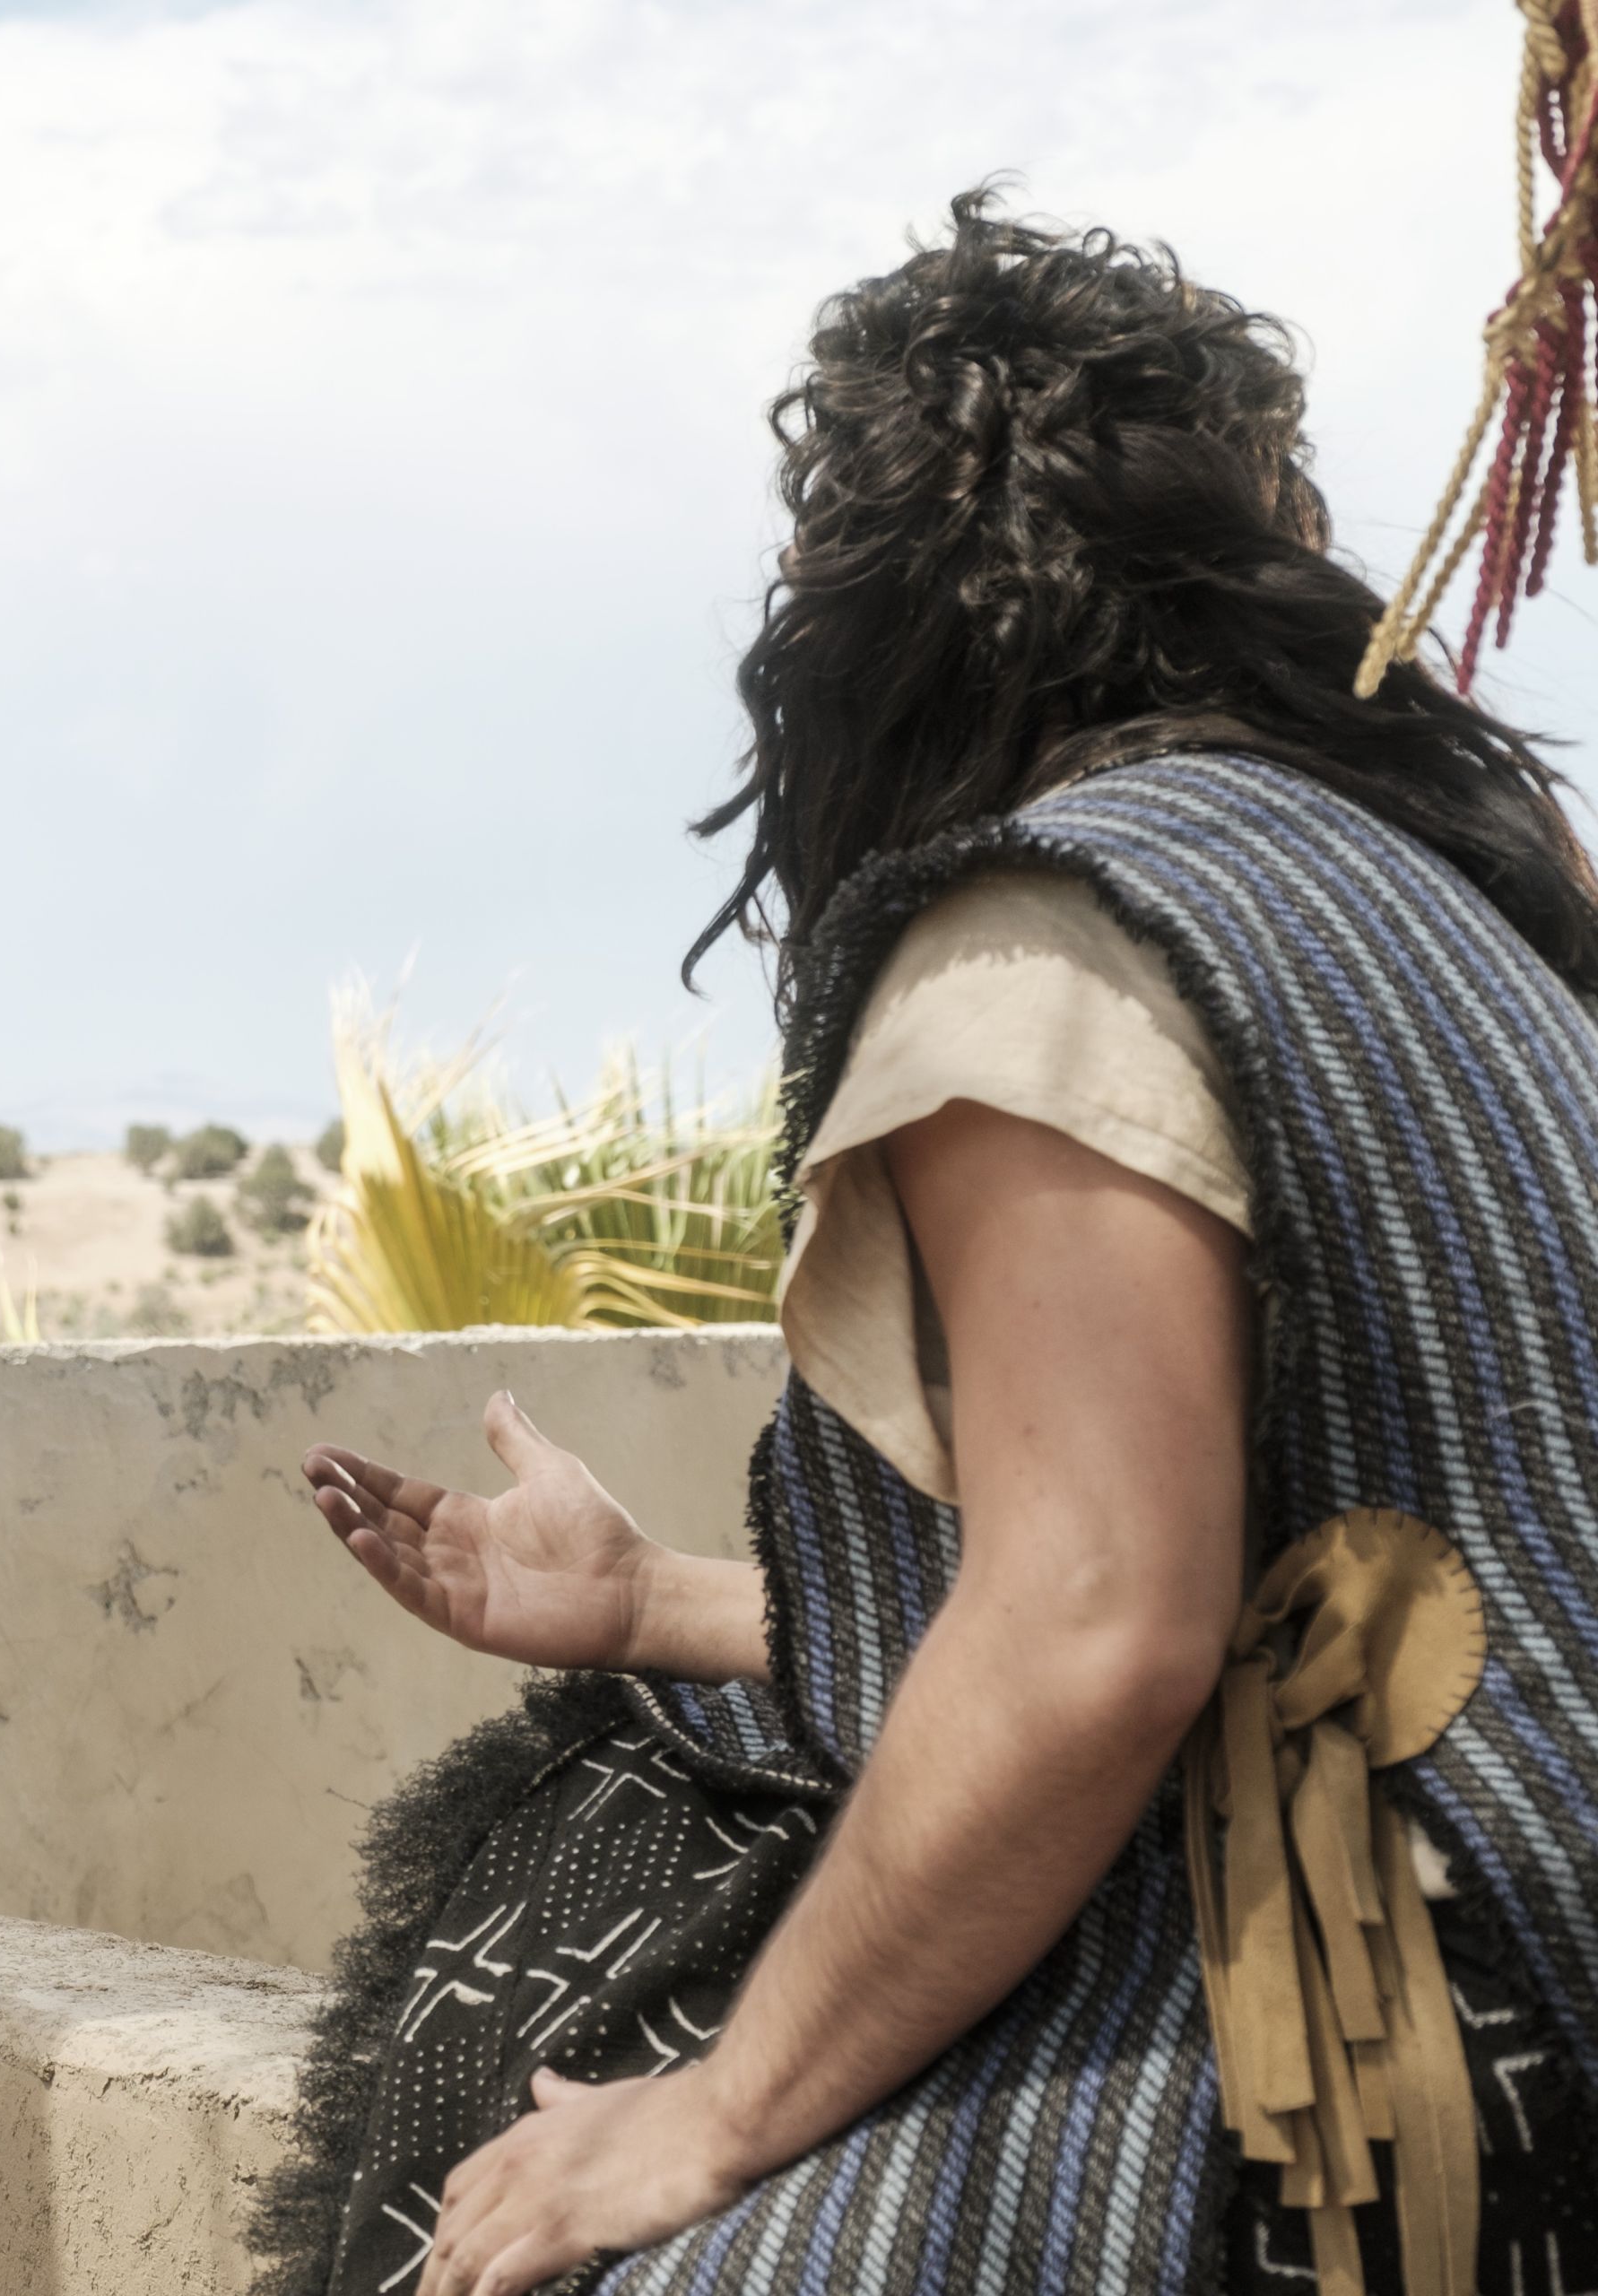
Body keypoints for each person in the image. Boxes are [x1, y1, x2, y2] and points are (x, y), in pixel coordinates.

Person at [255, 191, 1598, 2296]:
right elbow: (1284, 1566)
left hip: (1401, 2058)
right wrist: (659, 1603)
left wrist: (707, 2121)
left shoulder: (1048, 937)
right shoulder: (1453, 890)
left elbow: (1101, 1624)